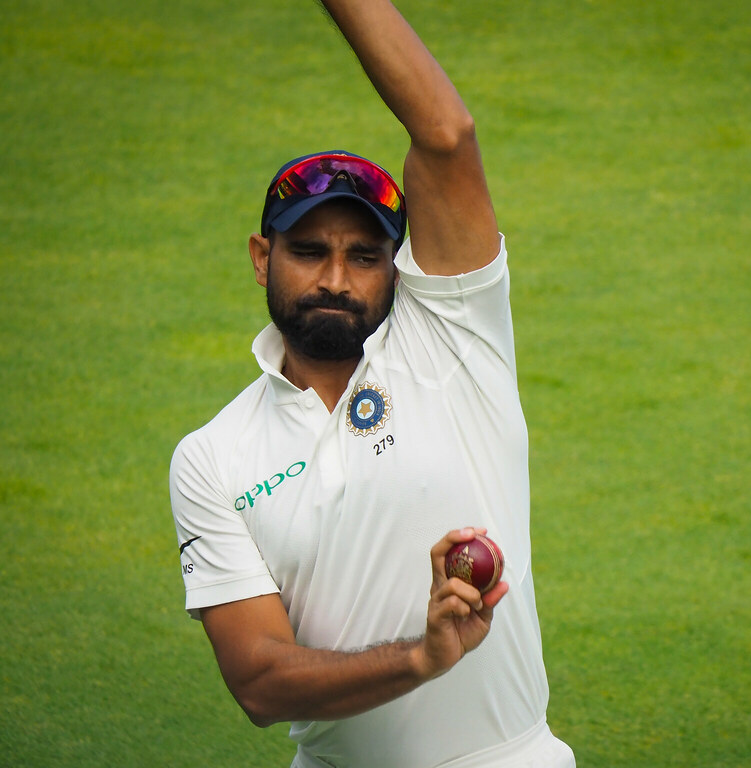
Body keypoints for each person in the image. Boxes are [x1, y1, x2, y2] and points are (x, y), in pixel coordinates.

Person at [169, 2, 575, 767]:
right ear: (262, 257)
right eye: (309, 249)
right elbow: (259, 681)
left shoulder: (453, 341)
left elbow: (447, 136)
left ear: (397, 267)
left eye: (364, 256)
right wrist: (417, 658)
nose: (334, 278)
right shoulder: (212, 458)